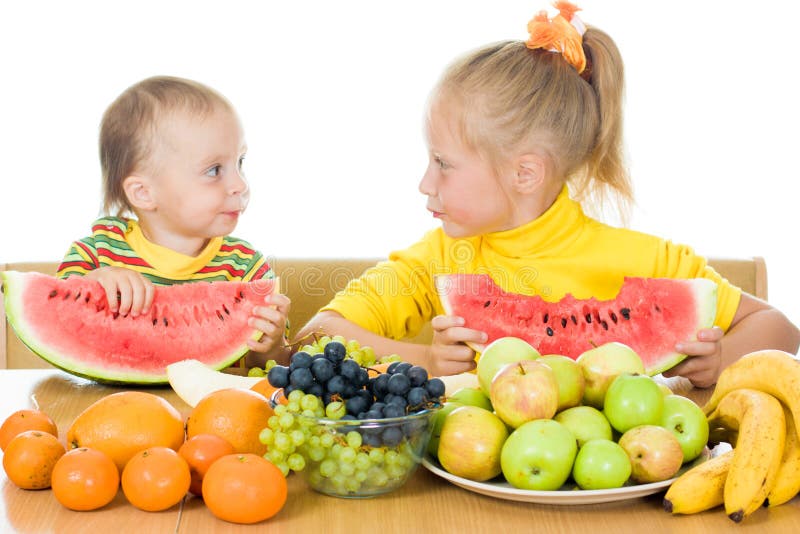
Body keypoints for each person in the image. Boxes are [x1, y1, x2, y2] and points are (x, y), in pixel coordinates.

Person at [296, 2, 800, 386]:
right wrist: (426, 358)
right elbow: (317, 332)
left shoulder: (644, 259)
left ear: (525, 173)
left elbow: (780, 328)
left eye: (444, 163)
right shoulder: (437, 260)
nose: (425, 183)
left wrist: (722, 359)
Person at [57, 76, 290, 368]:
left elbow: (266, 368)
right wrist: (92, 286)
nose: (239, 184)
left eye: (240, 162)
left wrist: (271, 346)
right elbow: (59, 318)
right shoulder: (97, 254)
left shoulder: (246, 268)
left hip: (213, 411)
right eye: (214, 170)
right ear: (144, 193)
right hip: (116, 409)